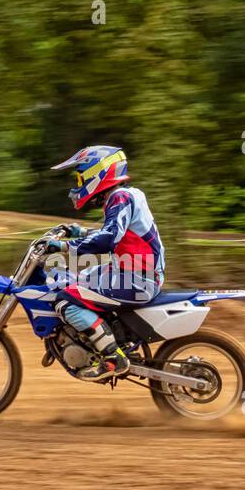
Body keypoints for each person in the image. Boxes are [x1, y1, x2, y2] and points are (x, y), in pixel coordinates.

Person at [44, 146, 165, 381]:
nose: (79, 183)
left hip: (137, 278)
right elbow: (115, 231)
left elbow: (108, 239)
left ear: (98, 172)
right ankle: (101, 339)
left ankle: (113, 358)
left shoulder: (120, 198)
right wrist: (80, 232)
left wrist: (64, 247)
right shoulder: (126, 195)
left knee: (65, 301)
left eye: (81, 177)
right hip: (132, 272)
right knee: (72, 280)